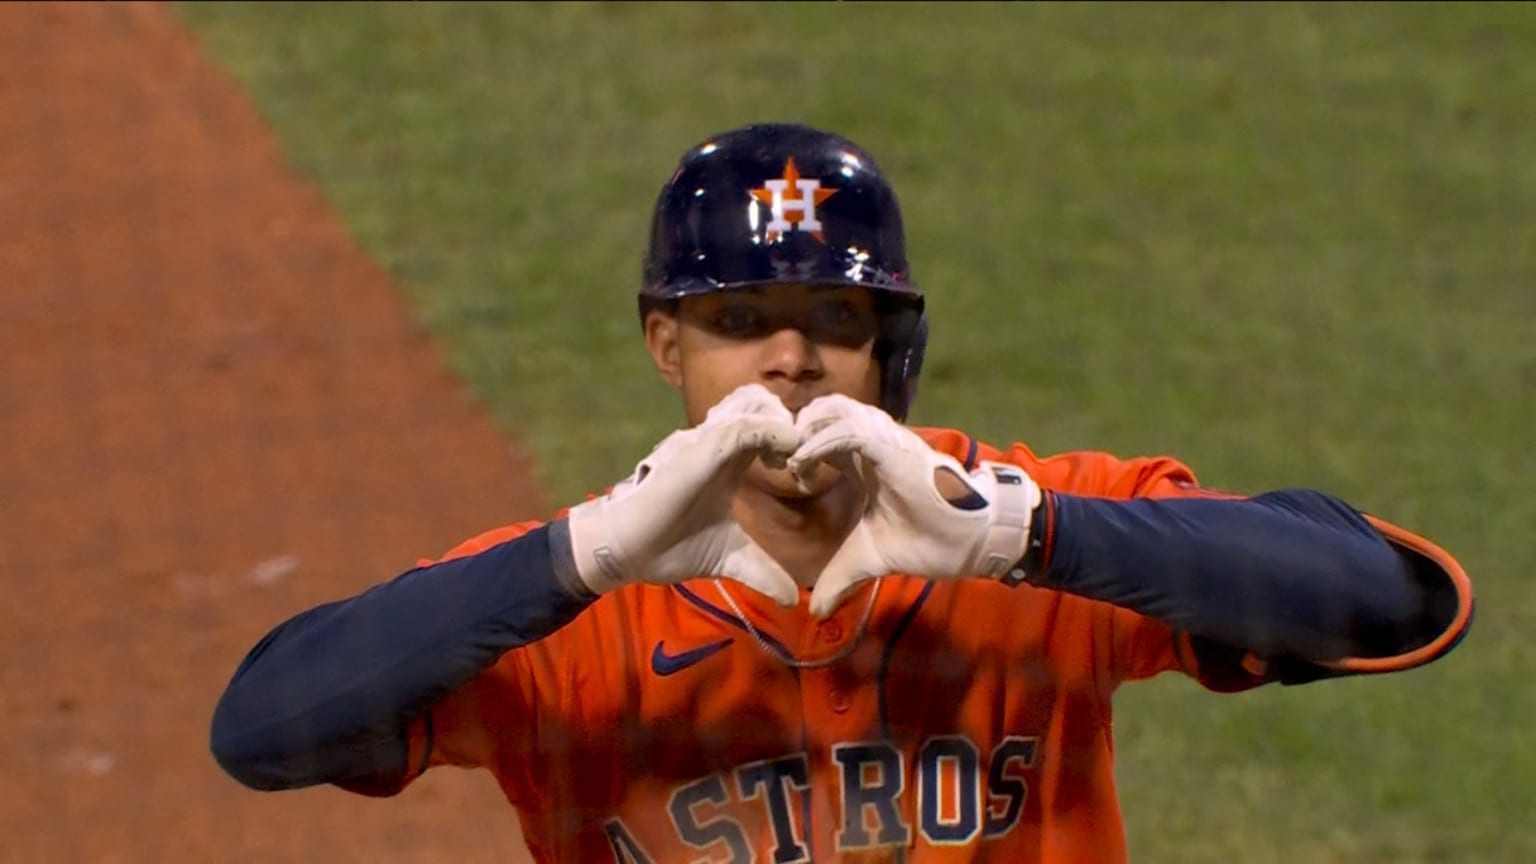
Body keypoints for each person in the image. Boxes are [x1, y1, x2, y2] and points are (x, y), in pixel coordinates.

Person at [209, 123, 1474, 863]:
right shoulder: (578, 605)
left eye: (836, 318)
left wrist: (1037, 535)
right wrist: (576, 560)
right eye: (738, 320)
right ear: (667, 350)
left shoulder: (1023, 532)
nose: (791, 358)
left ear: (893, 352)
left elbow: (1393, 602)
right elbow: (262, 729)